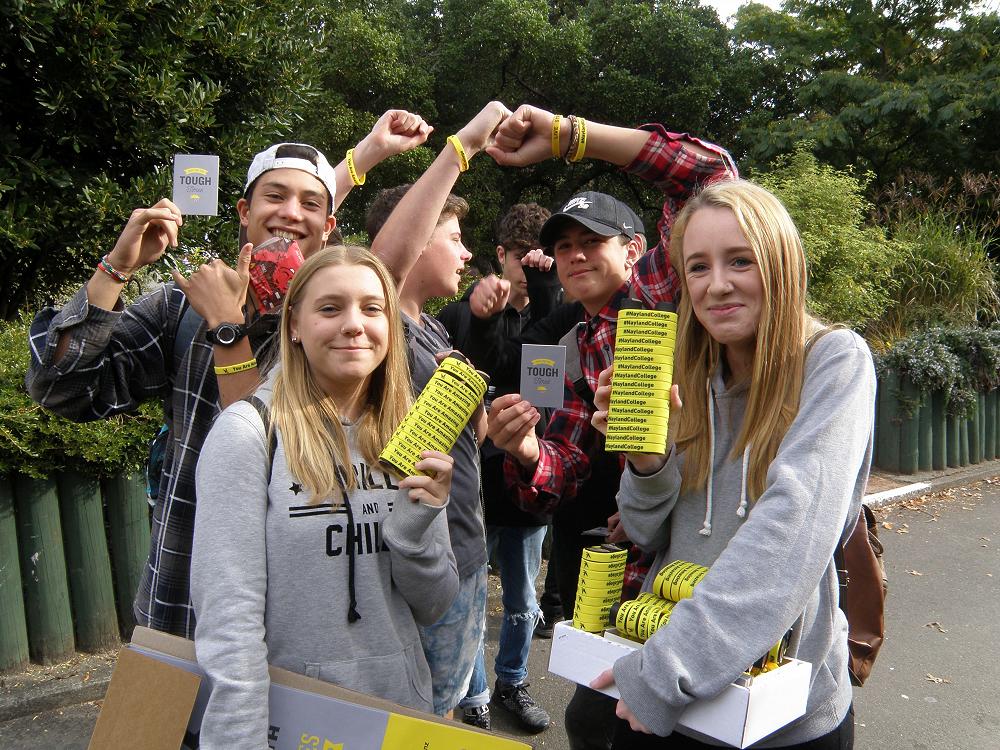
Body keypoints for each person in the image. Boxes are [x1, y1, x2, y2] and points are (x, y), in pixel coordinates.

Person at [25, 111, 431, 638]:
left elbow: (272, 461)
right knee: (177, 725)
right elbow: (63, 389)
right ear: (244, 211)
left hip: (313, 614)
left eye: (311, 204)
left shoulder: (343, 330)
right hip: (184, 602)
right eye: (274, 197)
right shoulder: (186, 306)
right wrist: (116, 268)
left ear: (329, 228)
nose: (290, 213)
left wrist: (227, 330)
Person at [483, 105, 736, 750]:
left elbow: (710, 176)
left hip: (730, 540)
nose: (573, 256)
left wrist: (573, 138)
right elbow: (559, 472)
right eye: (563, 246)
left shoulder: (662, 289)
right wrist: (525, 450)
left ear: (635, 249)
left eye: (591, 242)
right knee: (595, 721)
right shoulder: (573, 343)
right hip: (649, 566)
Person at [589, 179, 874, 748]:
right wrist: (647, 462)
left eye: (739, 260)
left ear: (781, 263)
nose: (717, 285)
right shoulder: (680, 375)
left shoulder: (835, 362)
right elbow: (645, 533)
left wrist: (667, 672)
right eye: (697, 267)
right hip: (667, 694)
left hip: (779, 713)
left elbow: (790, 534)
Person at [190, 245, 459, 748]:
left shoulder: (413, 434)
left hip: (398, 716)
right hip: (290, 725)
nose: (354, 325)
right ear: (294, 325)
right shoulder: (249, 433)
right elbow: (229, 623)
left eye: (372, 308)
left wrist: (415, 528)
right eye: (330, 308)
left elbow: (434, 605)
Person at [367, 101, 511, 718]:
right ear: (417, 238)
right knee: (422, 713)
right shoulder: (381, 325)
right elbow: (383, 261)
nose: (466, 252)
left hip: (467, 545)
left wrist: (497, 428)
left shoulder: (431, 331)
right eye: (453, 237)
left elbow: (458, 434)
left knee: (444, 704)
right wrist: (464, 146)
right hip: (429, 549)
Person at [437, 203, 556, 733]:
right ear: (500, 255)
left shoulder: (550, 313)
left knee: (523, 597)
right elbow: (464, 382)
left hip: (528, 480)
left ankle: (512, 679)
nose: (530, 270)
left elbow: (547, 388)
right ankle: (475, 690)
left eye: (542, 260)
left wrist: (548, 290)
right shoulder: (461, 314)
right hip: (475, 483)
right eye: (522, 259)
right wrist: (482, 316)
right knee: (466, 588)